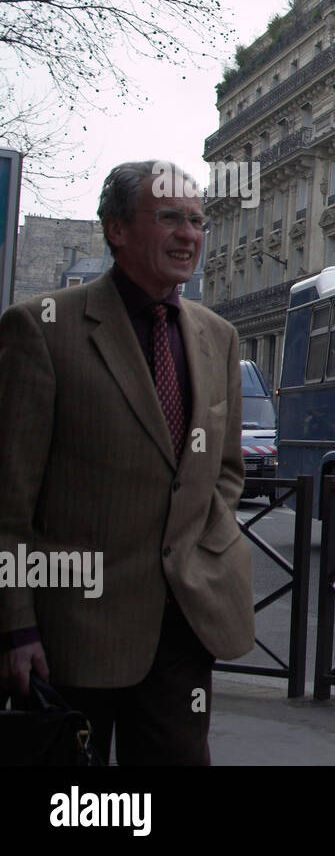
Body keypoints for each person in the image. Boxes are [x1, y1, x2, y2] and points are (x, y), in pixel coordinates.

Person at [0, 160, 254, 764]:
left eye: (197, 220)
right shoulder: (41, 330)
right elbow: (8, 504)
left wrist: (200, 545)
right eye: (169, 217)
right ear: (116, 229)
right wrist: (16, 628)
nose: (189, 233)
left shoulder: (217, 337)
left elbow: (224, 470)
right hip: (74, 635)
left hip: (185, 627)